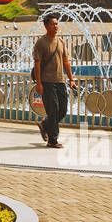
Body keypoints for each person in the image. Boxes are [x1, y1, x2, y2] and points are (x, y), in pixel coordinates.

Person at [32, 13, 75, 149]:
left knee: (62, 110)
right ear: (46, 26)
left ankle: (44, 124)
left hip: (60, 81)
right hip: (47, 81)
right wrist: (39, 84)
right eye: (53, 24)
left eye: (57, 24)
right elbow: (37, 65)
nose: (56, 26)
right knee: (53, 110)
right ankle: (52, 140)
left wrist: (71, 79)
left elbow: (66, 61)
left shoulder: (60, 42)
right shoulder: (41, 43)